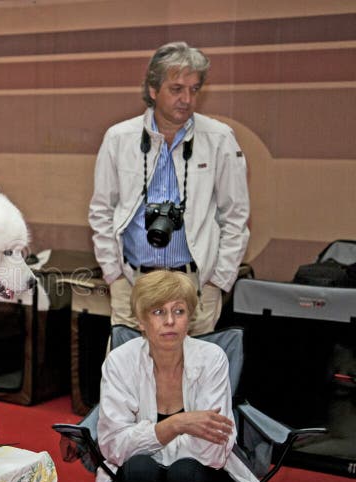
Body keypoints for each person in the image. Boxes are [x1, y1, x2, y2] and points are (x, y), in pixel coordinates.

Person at [88, 41, 250, 337]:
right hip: (133, 282)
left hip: (196, 285)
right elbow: (101, 211)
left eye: (194, 89)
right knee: (128, 379)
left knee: (191, 380)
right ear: (153, 90)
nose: (187, 99)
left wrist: (218, 281)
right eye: (176, 89)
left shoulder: (220, 138)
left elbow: (236, 216)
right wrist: (114, 276)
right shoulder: (119, 138)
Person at [93, 270, 264, 482]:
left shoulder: (212, 359)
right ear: (141, 321)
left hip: (205, 480)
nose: (170, 321)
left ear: (189, 318)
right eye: (158, 312)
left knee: (183, 472)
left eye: (179, 311)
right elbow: (113, 446)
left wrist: (146, 438)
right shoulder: (119, 361)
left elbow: (214, 451)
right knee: (139, 469)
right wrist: (177, 424)